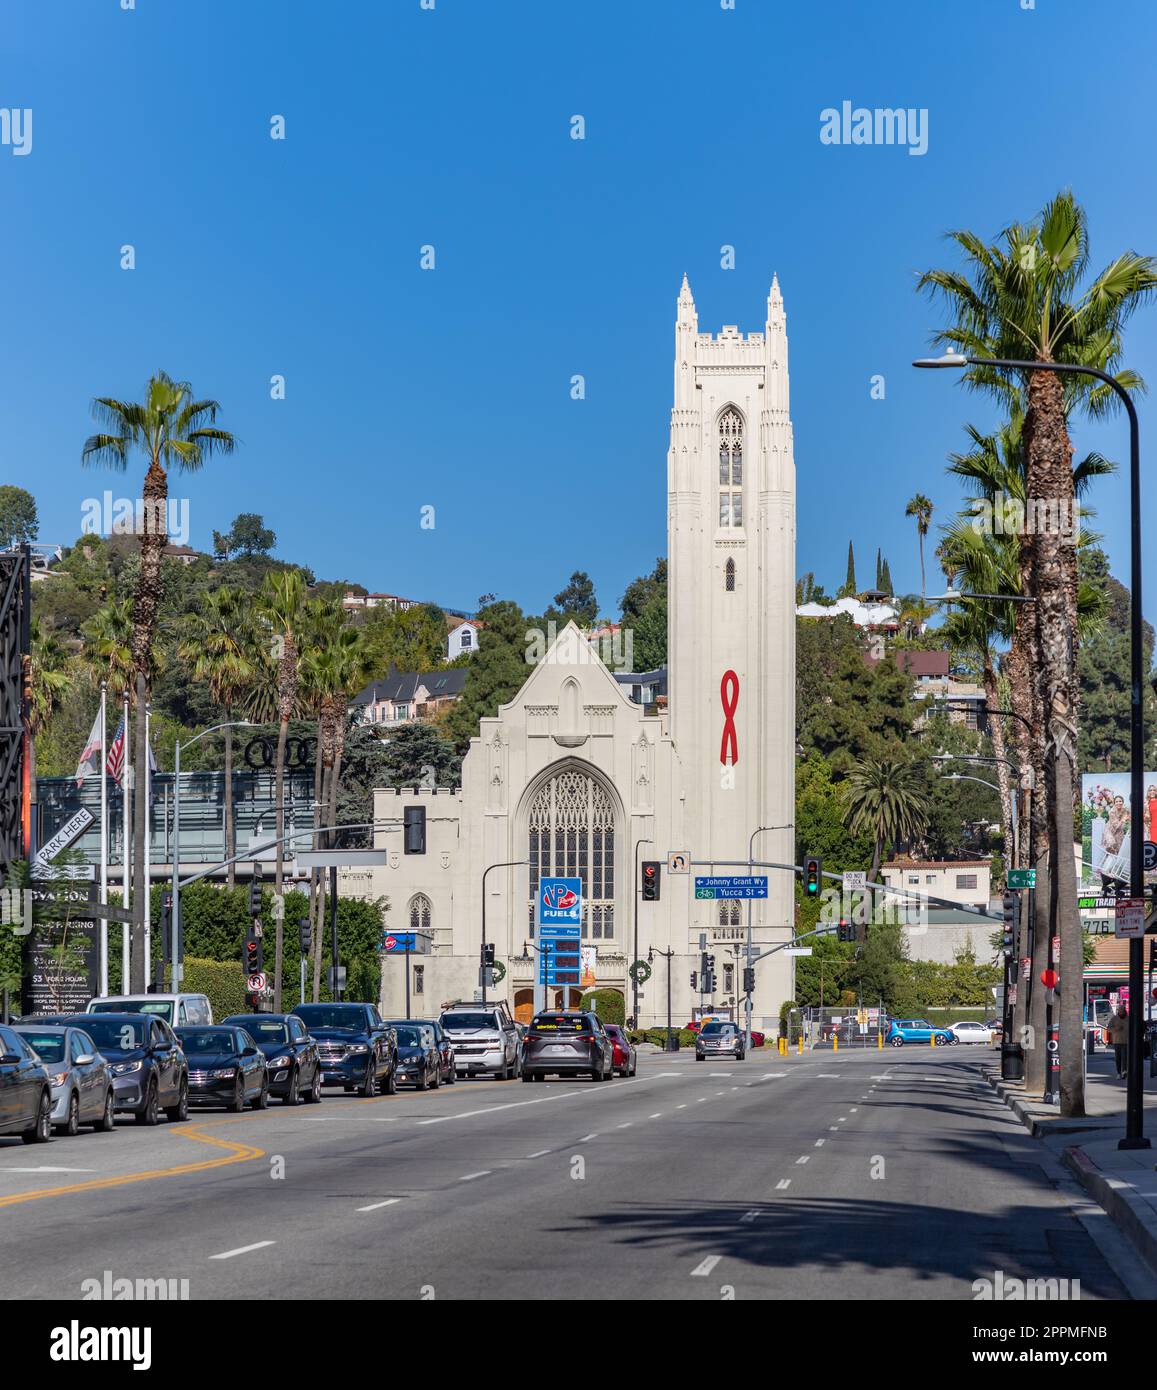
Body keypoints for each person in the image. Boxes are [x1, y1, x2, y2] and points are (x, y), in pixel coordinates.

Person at [1106, 1005, 1130, 1079]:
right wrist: (1116, 1028)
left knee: (1125, 1057)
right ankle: (1119, 1072)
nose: (1121, 1013)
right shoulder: (1114, 1019)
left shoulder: (1129, 1019)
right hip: (1117, 1041)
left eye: (1122, 1011)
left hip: (1126, 1041)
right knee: (1118, 1058)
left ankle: (1124, 1071)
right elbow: (1108, 1029)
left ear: (1124, 1011)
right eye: (1120, 1011)